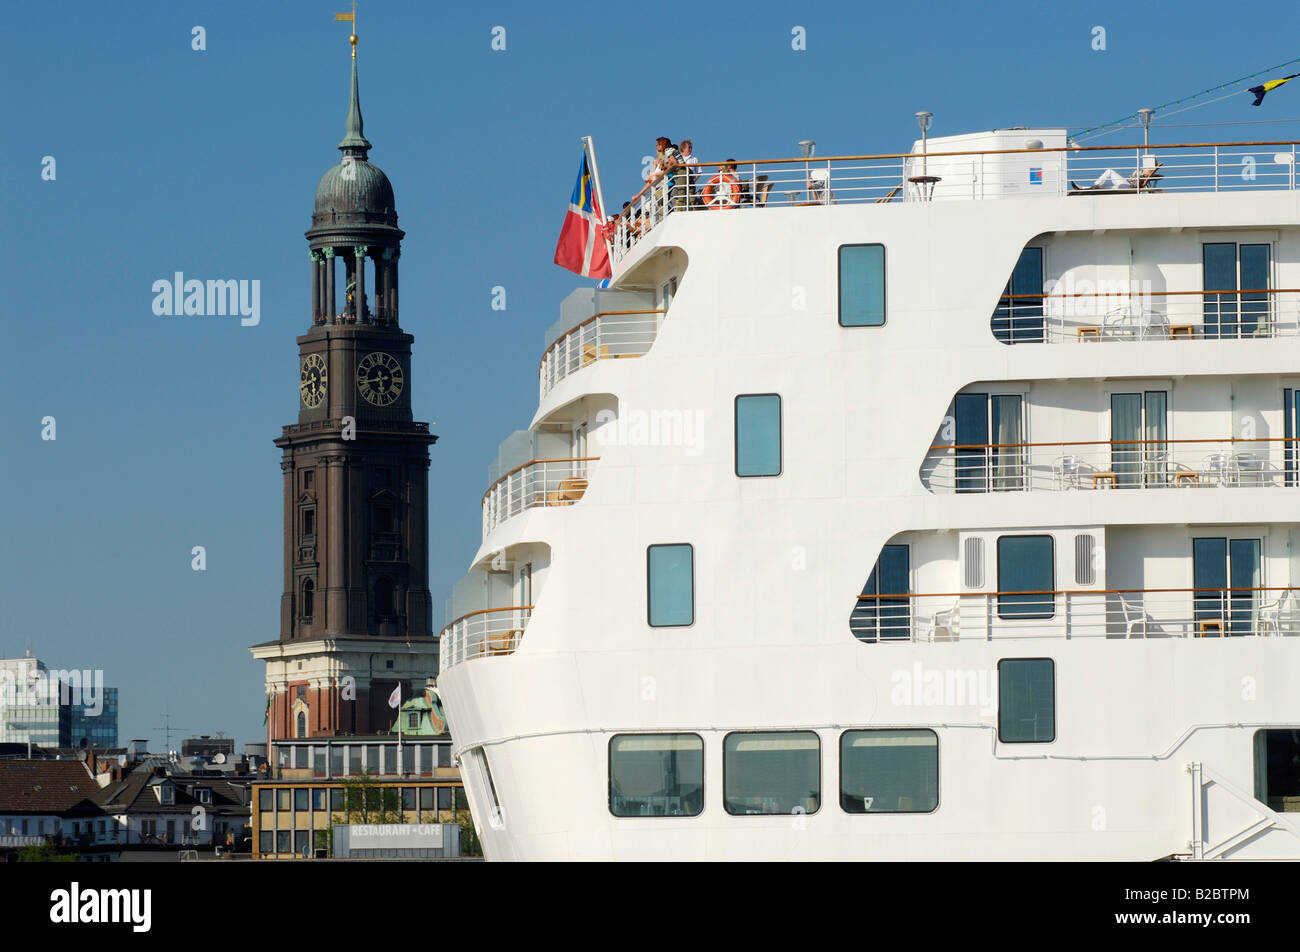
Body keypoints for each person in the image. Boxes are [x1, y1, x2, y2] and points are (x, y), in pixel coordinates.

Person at [680, 139, 700, 207]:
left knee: (691, 199)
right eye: (689, 147)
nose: (690, 149)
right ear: (683, 148)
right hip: (680, 182)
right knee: (681, 198)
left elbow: (698, 172)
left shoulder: (694, 159)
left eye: (691, 147)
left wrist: (693, 180)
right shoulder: (678, 158)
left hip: (690, 182)